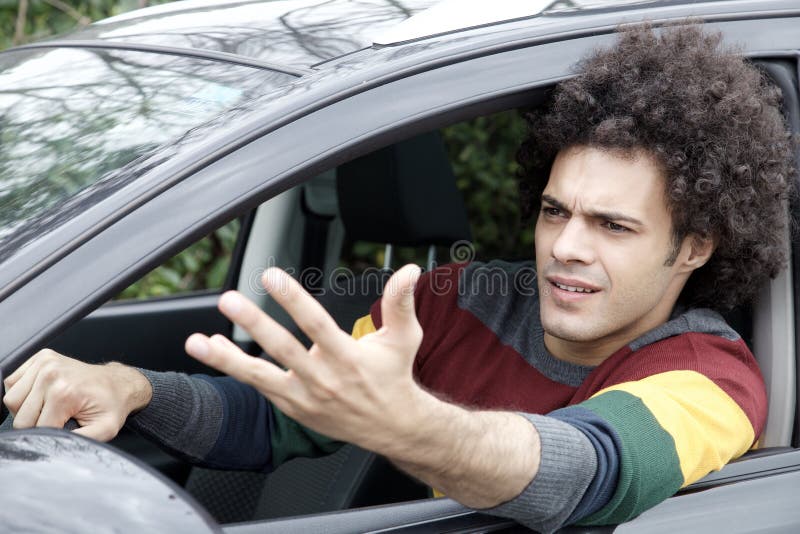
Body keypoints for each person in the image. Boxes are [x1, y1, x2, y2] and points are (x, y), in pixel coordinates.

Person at [2, 23, 796, 532]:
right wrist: (128, 387)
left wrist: (405, 425)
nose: (565, 247)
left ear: (694, 245)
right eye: (556, 212)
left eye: (613, 226)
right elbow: (279, 417)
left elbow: (592, 473)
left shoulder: (708, 380)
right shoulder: (453, 304)